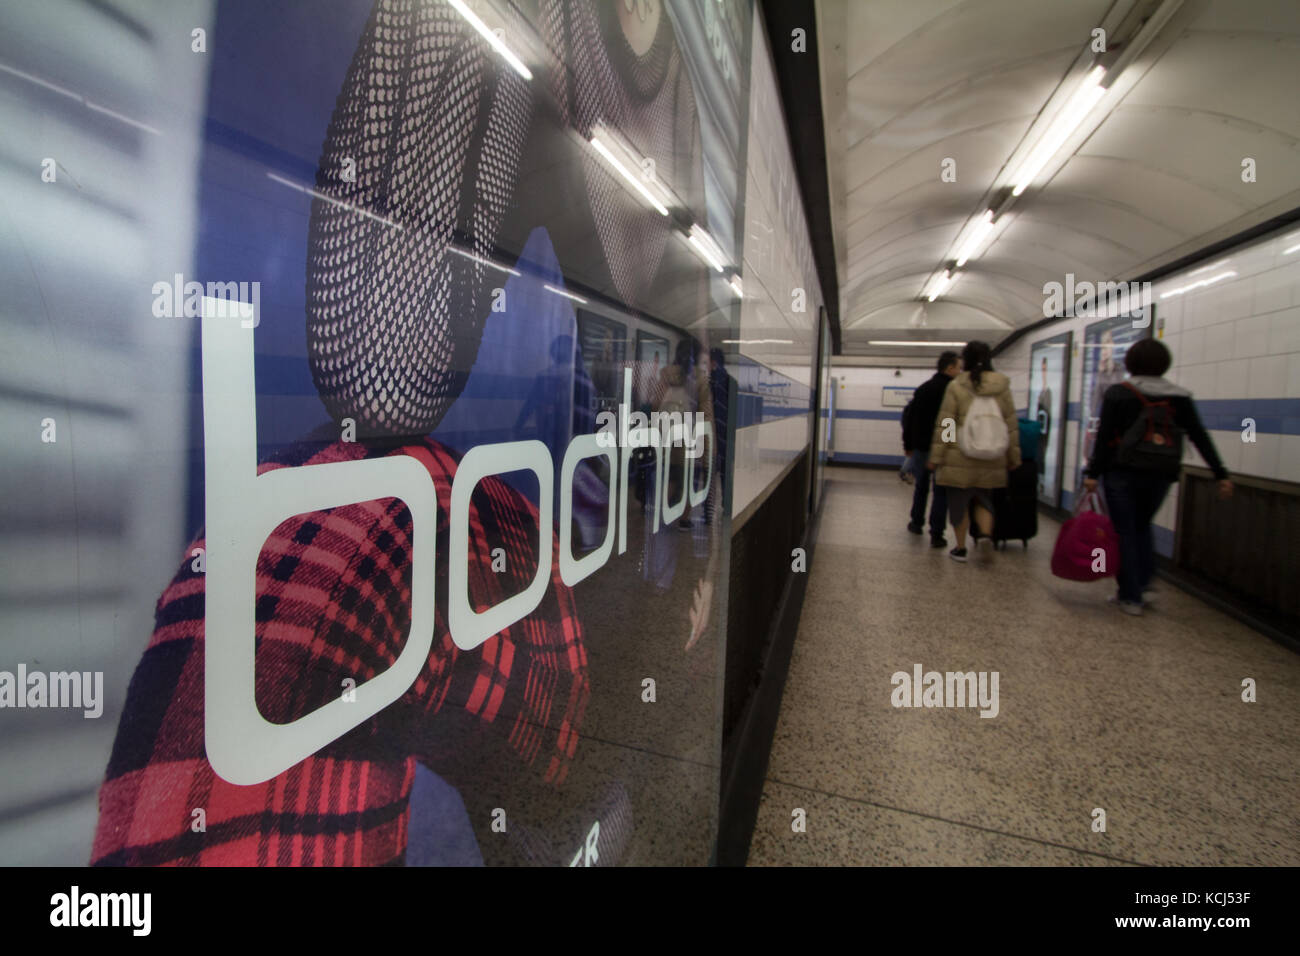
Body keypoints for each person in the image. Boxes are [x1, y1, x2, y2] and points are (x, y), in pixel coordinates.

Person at [1083, 337, 1232, 616]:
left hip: (1121, 472)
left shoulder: (1119, 393)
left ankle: (1130, 596)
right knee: (1141, 525)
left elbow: (1104, 437)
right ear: (1164, 363)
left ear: (1130, 362)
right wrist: (1220, 473)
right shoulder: (1180, 397)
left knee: (1125, 529)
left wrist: (1092, 472)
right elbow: (1199, 435)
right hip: (1161, 474)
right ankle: (1143, 582)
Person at [928, 341, 1021, 562]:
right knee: (983, 500)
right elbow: (1010, 424)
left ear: (965, 360)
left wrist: (939, 456)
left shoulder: (957, 385)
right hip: (992, 455)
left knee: (959, 504)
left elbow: (948, 423)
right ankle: (985, 535)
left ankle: (960, 548)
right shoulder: (1002, 386)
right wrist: (1013, 457)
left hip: (959, 455)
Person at [903, 351, 960, 547]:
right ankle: (937, 533)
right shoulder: (953, 391)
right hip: (941, 448)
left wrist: (908, 444)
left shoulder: (924, 389)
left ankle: (916, 523)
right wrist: (948, 445)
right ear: (949, 368)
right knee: (941, 491)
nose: (960, 372)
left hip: (920, 446)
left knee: (921, 487)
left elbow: (910, 418)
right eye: (958, 368)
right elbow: (949, 421)